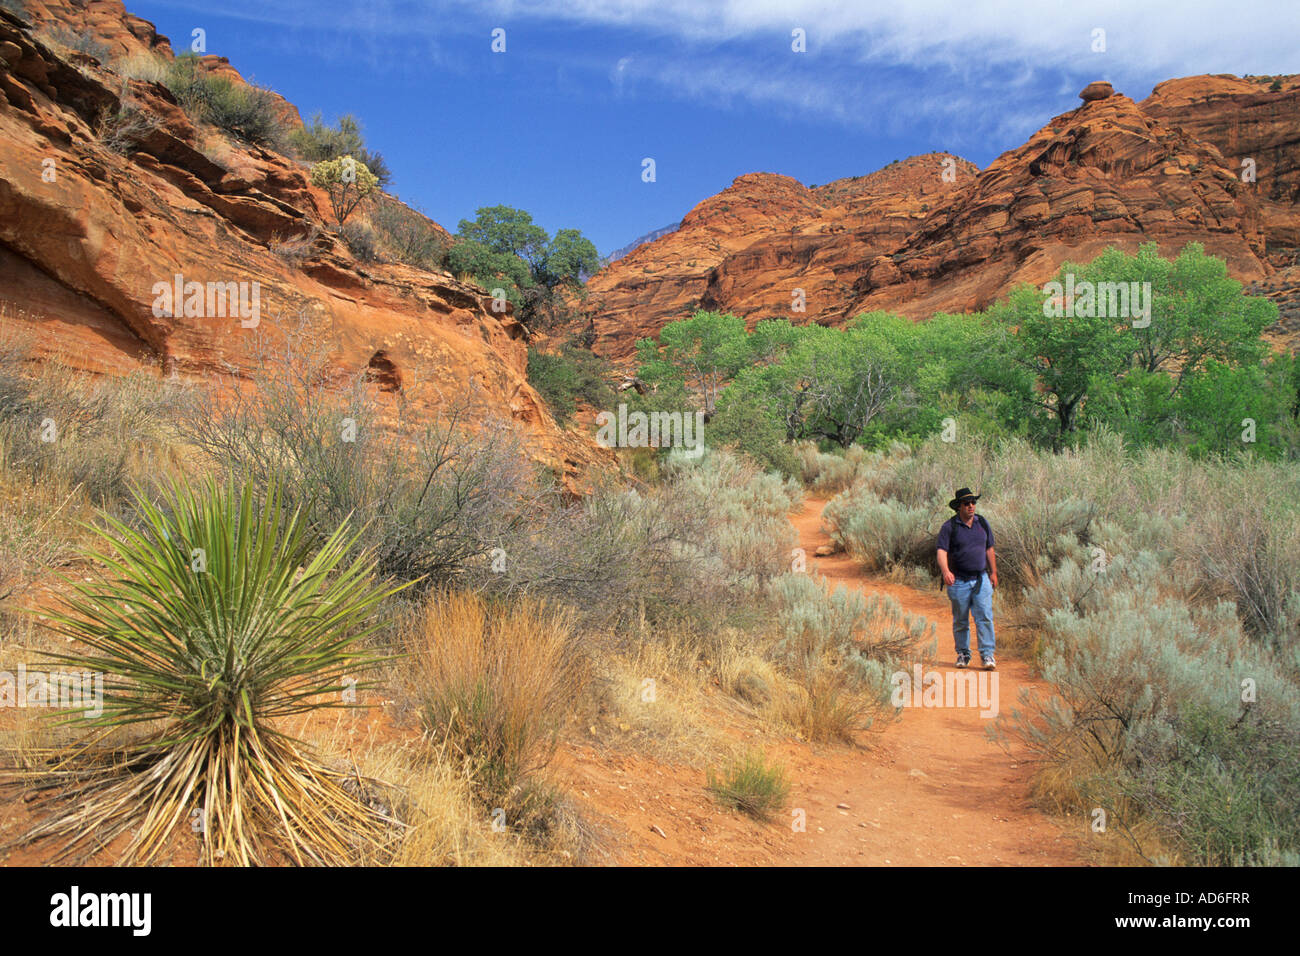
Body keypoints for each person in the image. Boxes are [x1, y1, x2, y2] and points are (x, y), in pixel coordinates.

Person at [936, 487, 999, 670]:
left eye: (973, 502)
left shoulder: (983, 523)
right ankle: (963, 654)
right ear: (959, 507)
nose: (971, 506)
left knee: (985, 617)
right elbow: (941, 551)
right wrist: (946, 571)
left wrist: (993, 572)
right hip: (959, 582)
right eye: (967, 503)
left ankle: (987, 655)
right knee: (961, 620)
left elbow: (990, 549)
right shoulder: (949, 527)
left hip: (981, 579)